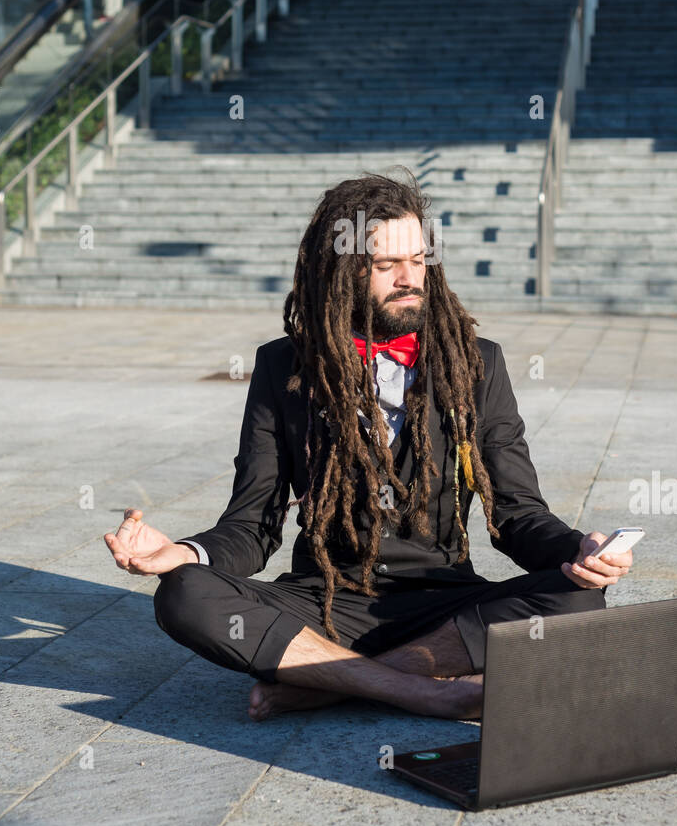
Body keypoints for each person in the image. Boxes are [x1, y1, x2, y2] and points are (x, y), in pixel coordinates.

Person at [106, 173, 633, 722]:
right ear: (341, 271)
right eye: (387, 266)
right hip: (325, 602)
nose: (412, 278)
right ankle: (426, 689)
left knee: (576, 600)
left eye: (420, 258)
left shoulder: (477, 362)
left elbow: (519, 514)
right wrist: (183, 554)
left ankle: (330, 683)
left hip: (443, 603)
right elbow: (252, 525)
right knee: (184, 595)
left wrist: (579, 551)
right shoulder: (282, 367)